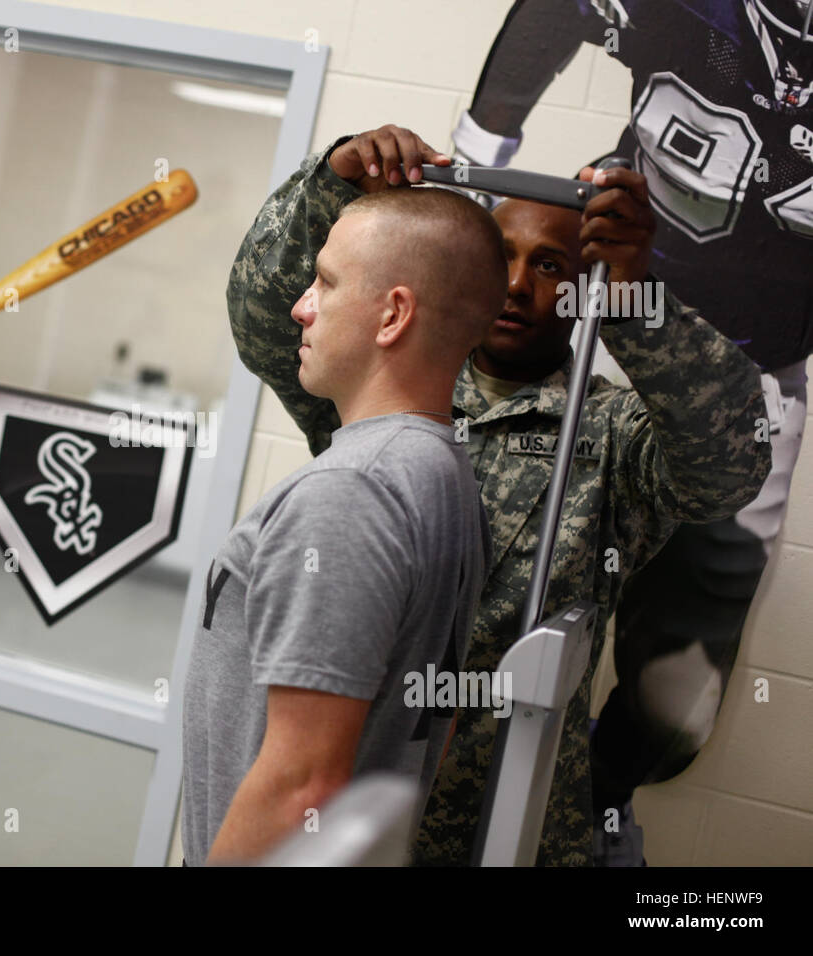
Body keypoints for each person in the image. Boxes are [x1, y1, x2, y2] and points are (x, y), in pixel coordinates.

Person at [226, 124, 772, 865]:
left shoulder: (608, 432)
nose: (517, 286)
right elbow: (263, 319)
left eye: (551, 265)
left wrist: (637, 297)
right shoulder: (387, 383)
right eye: (503, 258)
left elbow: (729, 461)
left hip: (508, 828)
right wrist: (333, 181)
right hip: (349, 816)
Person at [454, 0, 813, 863]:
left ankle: (591, 809)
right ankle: (458, 780)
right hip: (600, 340)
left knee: (681, 694)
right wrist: (474, 156)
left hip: (751, 385)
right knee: (498, 574)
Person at [179, 178, 504, 866]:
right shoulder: (440, 474)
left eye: (324, 283)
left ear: (393, 315)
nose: (300, 307)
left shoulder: (351, 492)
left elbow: (304, 785)